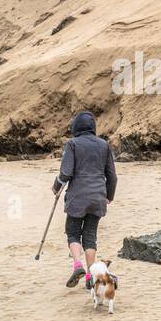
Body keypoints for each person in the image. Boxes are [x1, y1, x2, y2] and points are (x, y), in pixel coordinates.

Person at [52, 111, 117, 289]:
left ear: (76, 128)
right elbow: (112, 175)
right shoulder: (104, 145)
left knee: (72, 232)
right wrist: (109, 196)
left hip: (77, 198)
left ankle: (77, 265)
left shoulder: (72, 144)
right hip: (98, 197)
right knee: (90, 236)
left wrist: (56, 187)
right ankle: (90, 274)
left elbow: (66, 173)